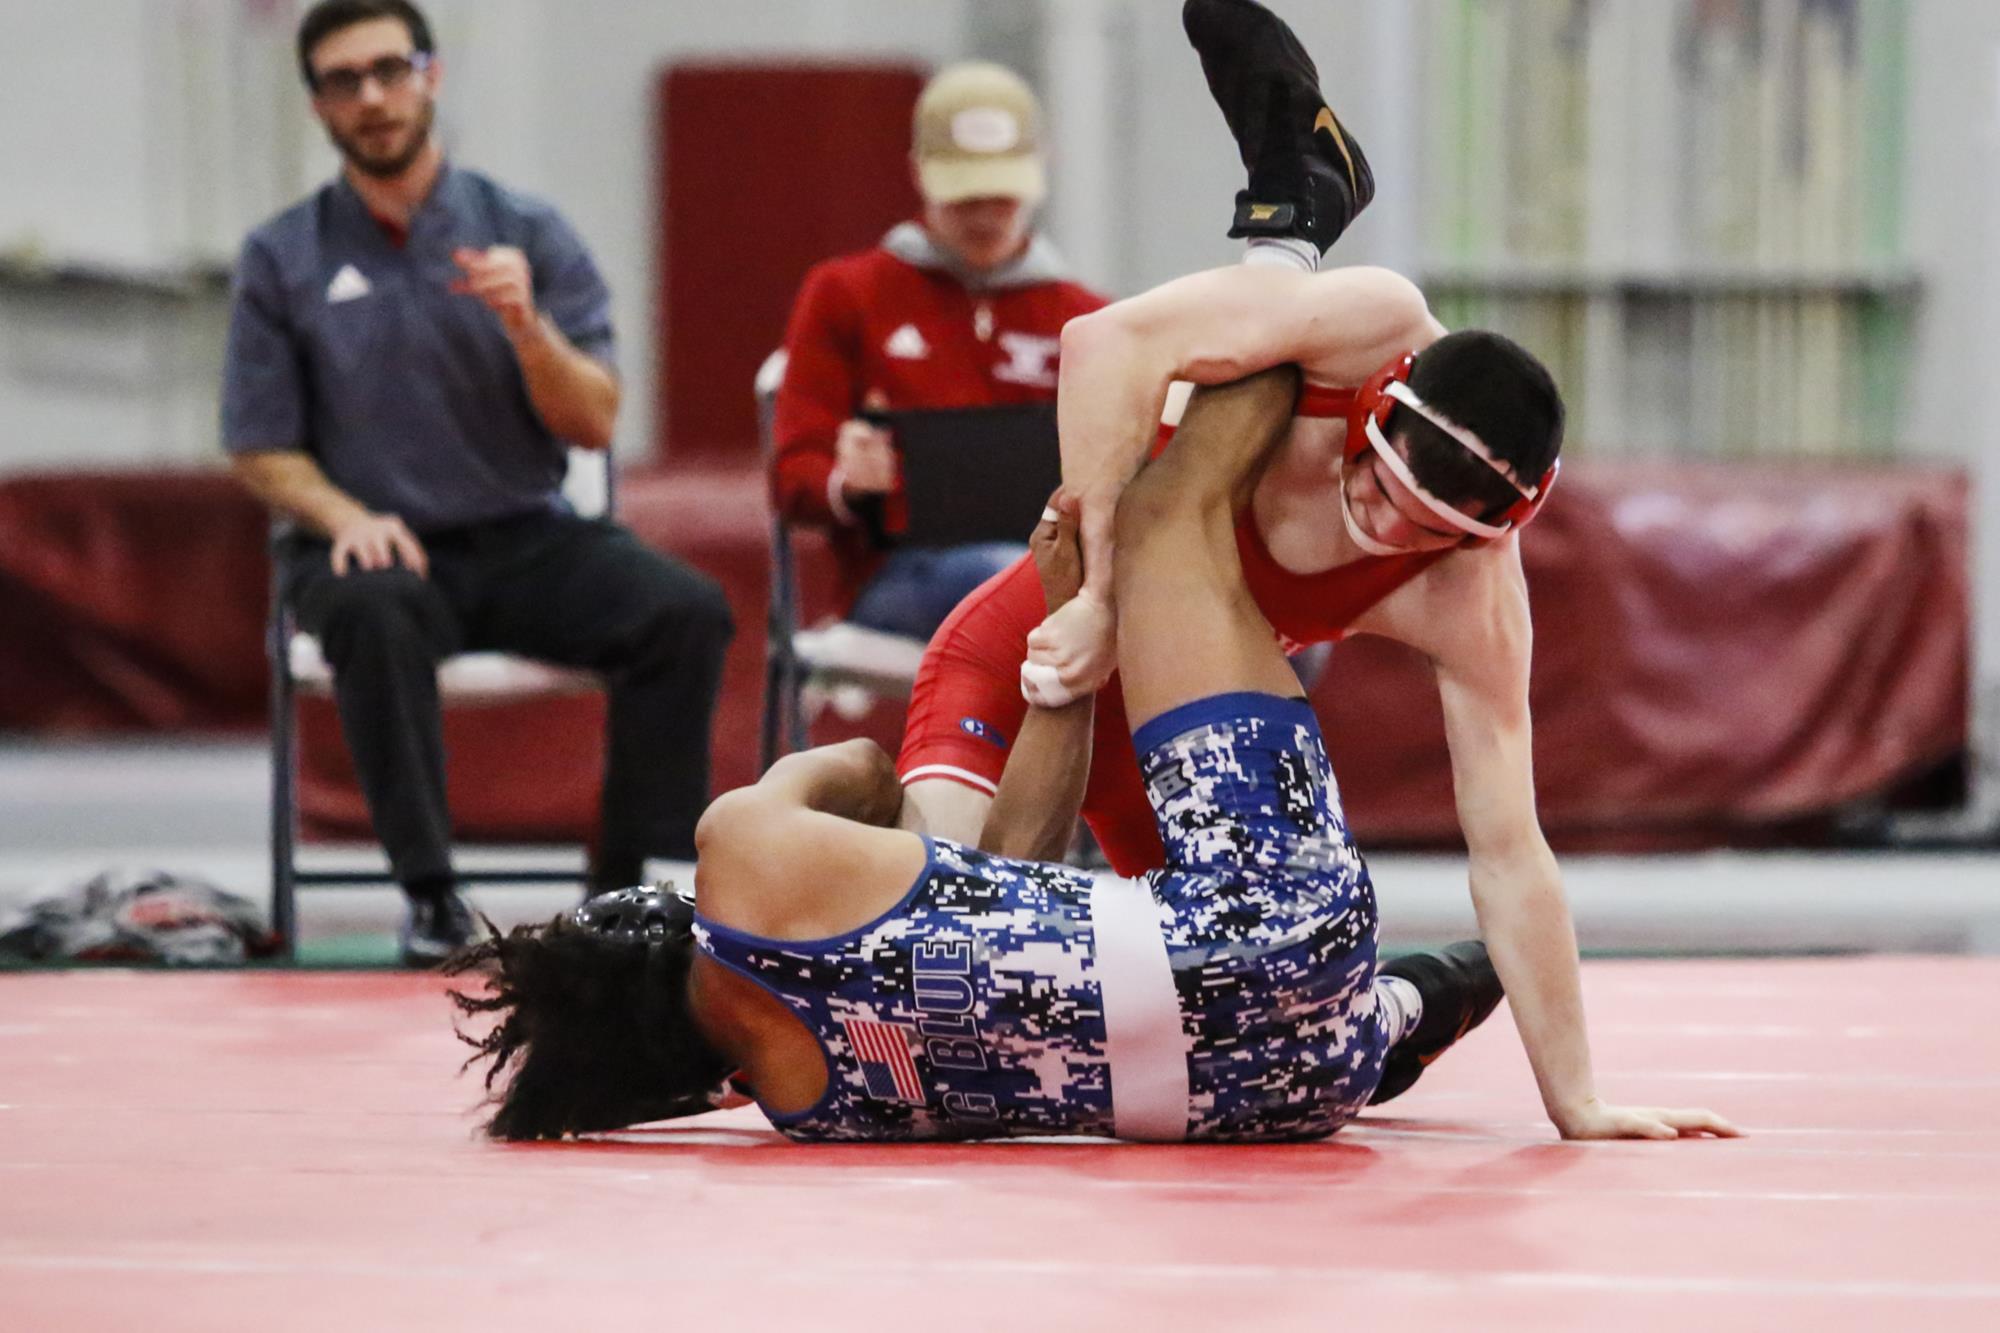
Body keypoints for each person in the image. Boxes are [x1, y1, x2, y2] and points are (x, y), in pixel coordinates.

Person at [448, 366, 1734, 1145]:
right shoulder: (744, 855)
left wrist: (1057, 682)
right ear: (653, 918)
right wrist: (1092, 597)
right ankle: (1285, 227)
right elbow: (841, 756)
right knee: (1177, 510)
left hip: (1278, 1088)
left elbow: (1006, 869)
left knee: (1316, 1006)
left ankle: (1413, 997)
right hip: (1258, 923)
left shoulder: (795, 1101)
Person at [895, 0, 1709, 1139]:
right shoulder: (1373, 331)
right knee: (936, 941)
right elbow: (1101, 346)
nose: (1382, 524)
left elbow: (1508, 844)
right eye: (1375, 478)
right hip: (1022, 650)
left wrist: (1577, 1102)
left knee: (1264, 1019)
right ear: (1377, 404)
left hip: (1168, 740)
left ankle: (1413, 997)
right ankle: (1293, 205)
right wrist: (1090, 596)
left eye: (1427, 526)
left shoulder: (1473, 593)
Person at [222, 0, 733, 965]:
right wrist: (345, 514)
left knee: (685, 611)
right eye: (345, 81)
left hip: (524, 534)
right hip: (373, 546)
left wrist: (528, 331)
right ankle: (430, 895)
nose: (372, 97)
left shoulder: (526, 232)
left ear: (430, 75)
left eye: (388, 69)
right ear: (319, 106)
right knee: (372, 608)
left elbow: (595, 418)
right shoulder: (281, 256)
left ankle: (621, 900)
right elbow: (258, 446)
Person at [770, 61, 1108, 642]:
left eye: (1000, 195)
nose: (983, 214)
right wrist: (845, 483)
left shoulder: (1085, 315)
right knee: (1020, 588)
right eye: (965, 194)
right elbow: (794, 473)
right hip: (903, 573)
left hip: (1065, 569)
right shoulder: (845, 295)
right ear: (919, 174)